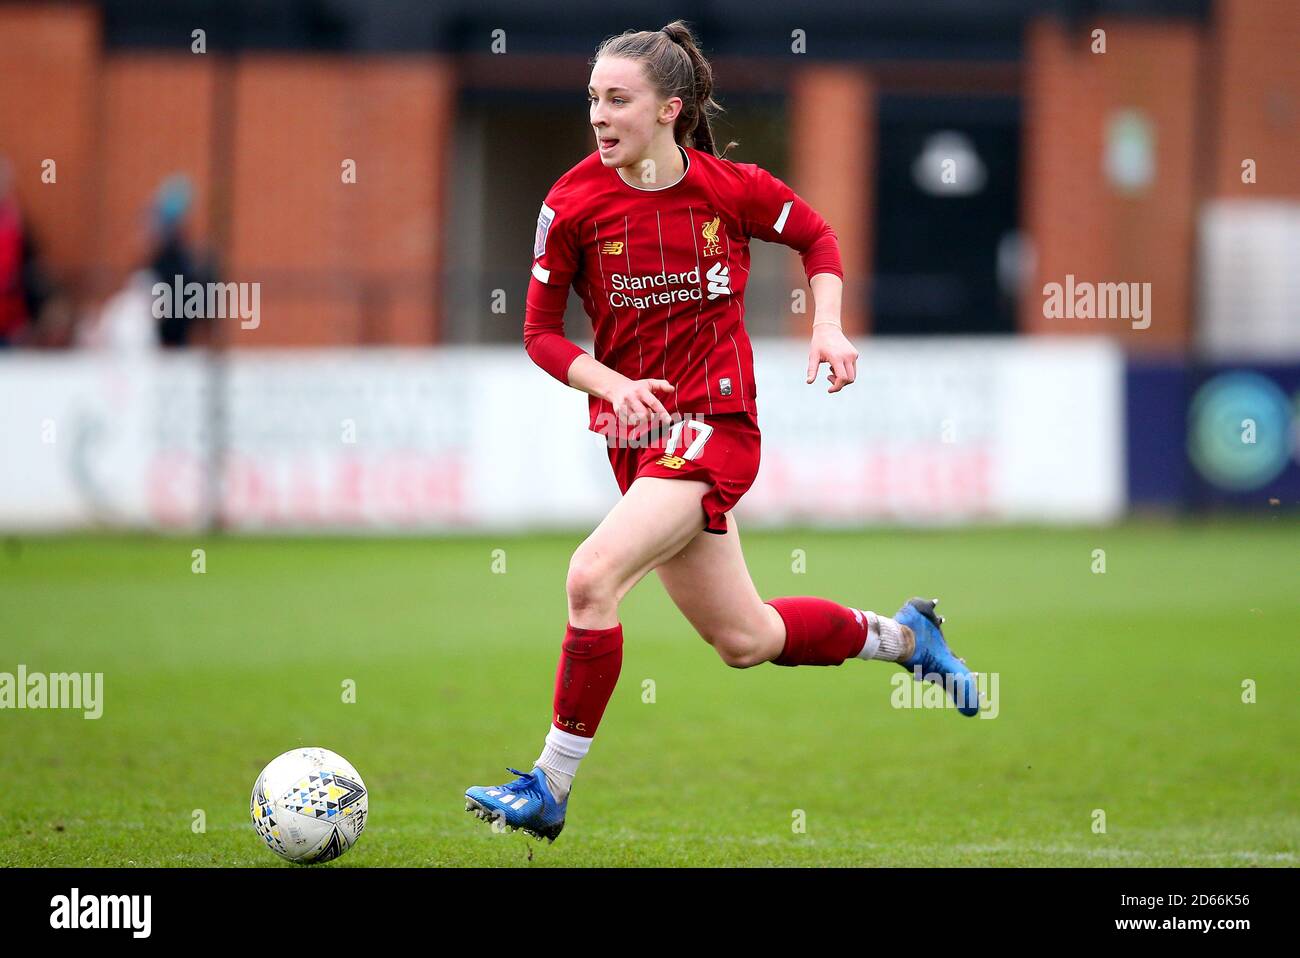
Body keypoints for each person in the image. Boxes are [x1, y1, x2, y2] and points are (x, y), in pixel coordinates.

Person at [465, 21, 981, 843]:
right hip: (638, 442)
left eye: (617, 99)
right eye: (593, 98)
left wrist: (829, 327)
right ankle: (902, 635)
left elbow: (816, 235)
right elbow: (539, 333)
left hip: (717, 428)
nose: (598, 114)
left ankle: (549, 785)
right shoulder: (570, 202)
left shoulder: (728, 189)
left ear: (670, 109)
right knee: (747, 637)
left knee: (591, 578)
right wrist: (608, 382)